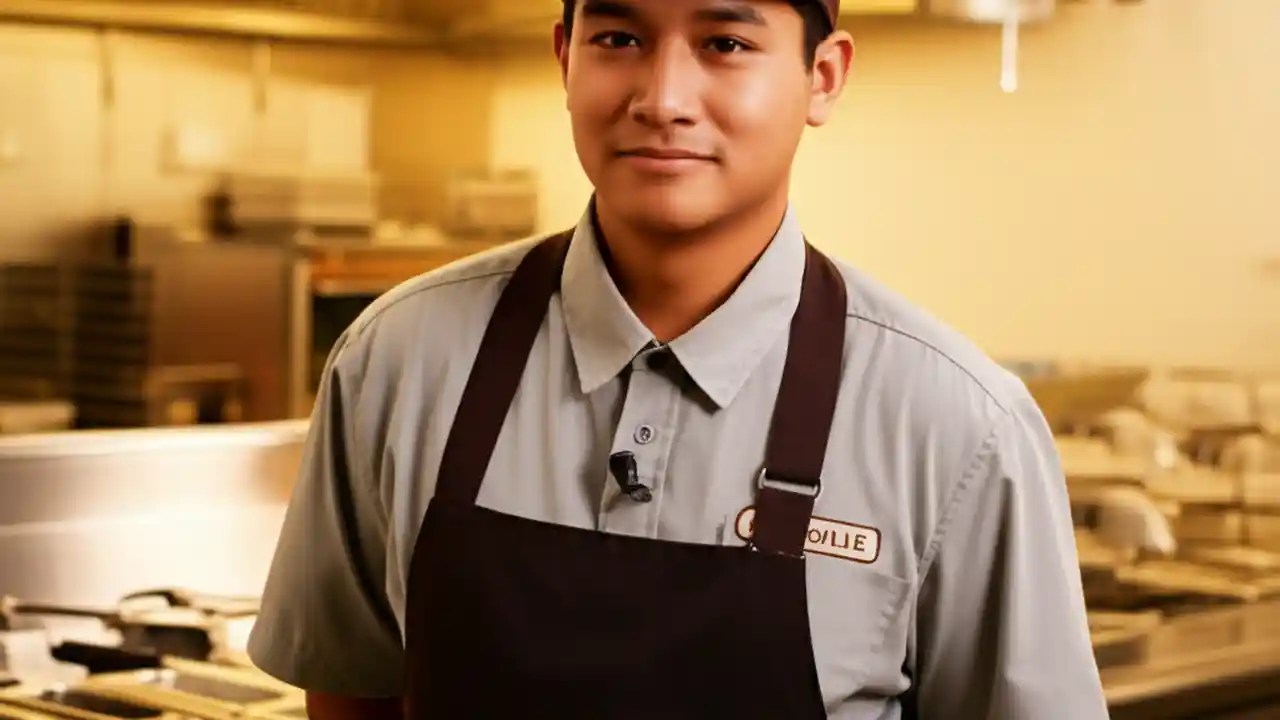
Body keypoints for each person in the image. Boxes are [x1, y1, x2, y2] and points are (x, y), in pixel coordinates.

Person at [246, 0, 1109, 717]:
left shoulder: (957, 425)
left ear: (824, 76)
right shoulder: (396, 359)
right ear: (564, 58)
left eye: (724, 43)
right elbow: (351, 695)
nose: (662, 98)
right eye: (619, 39)